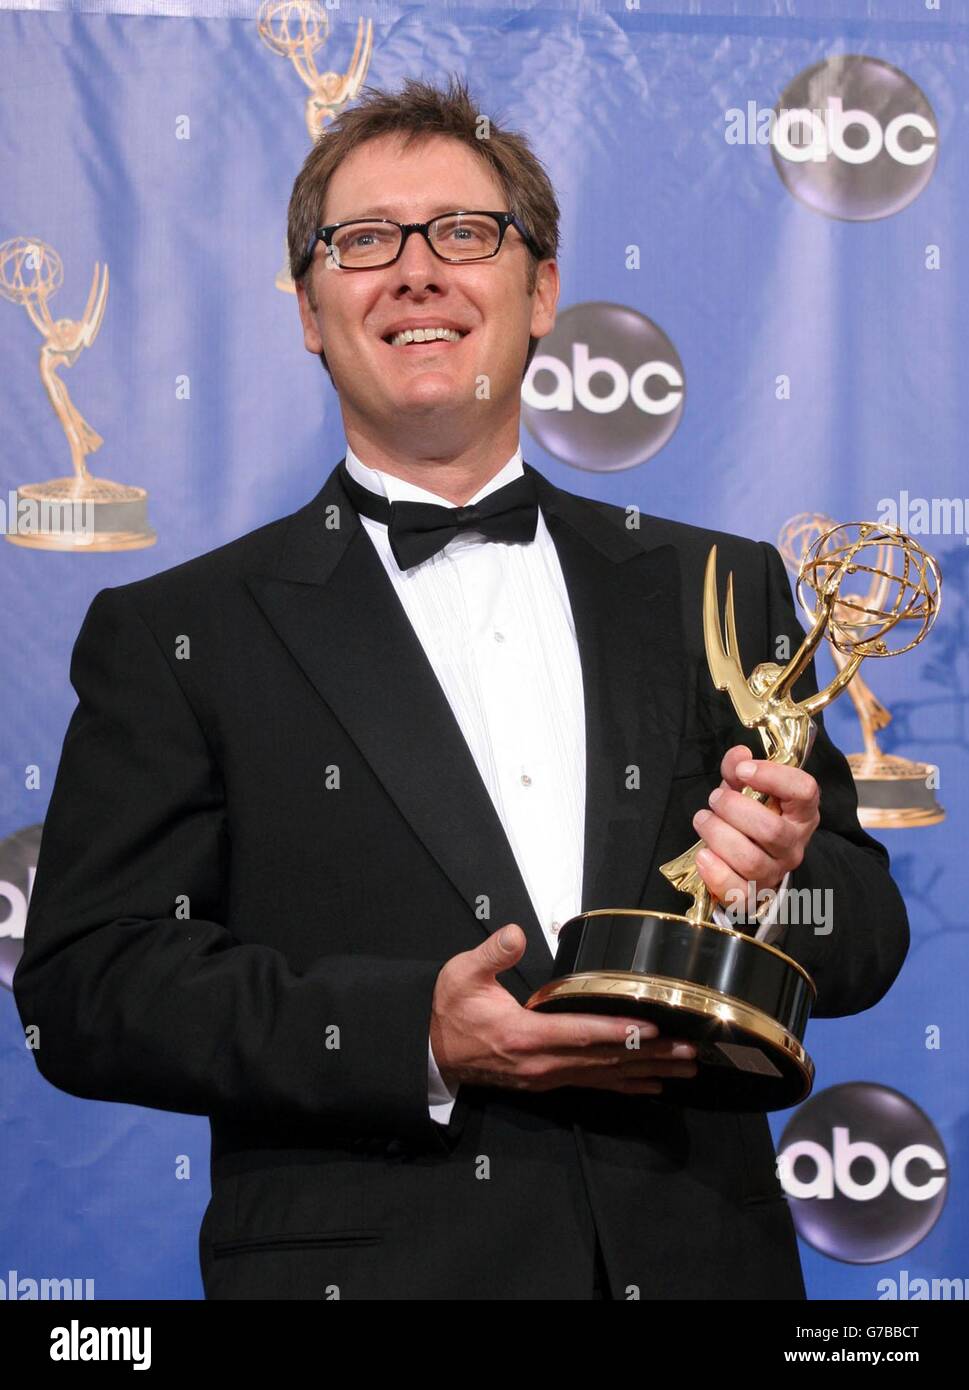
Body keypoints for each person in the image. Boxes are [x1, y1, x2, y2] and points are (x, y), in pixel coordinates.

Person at [14, 75, 909, 1301]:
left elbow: (863, 937)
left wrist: (781, 881)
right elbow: (85, 988)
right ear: (311, 311)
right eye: (365, 240)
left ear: (541, 292)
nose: (417, 271)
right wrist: (410, 1036)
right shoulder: (180, 633)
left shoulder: (720, 582)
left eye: (465, 233)